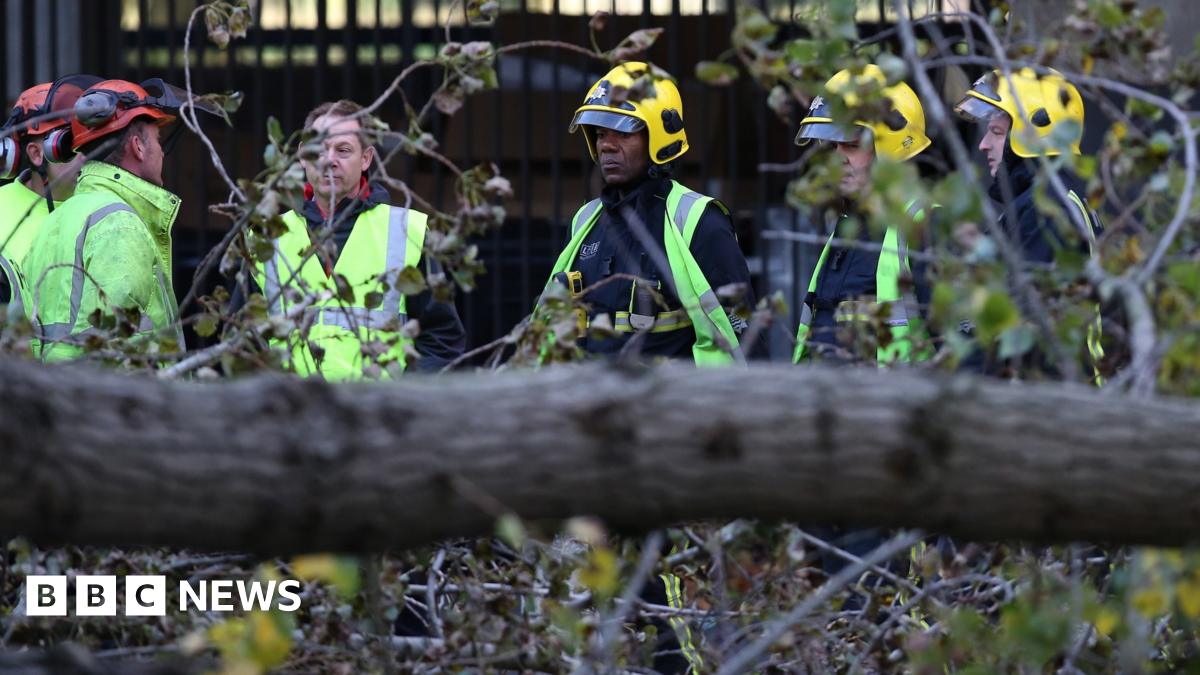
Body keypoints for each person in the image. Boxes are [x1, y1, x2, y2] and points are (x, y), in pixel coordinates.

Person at [538, 61, 753, 367]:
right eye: (600, 134)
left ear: (659, 137)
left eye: (623, 134)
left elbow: (744, 341)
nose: (607, 146)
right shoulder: (585, 221)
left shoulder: (697, 221)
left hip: (669, 409)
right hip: (588, 406)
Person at [250, 99, 465, 379]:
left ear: (366, 158)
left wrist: (405, 403)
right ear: (302, 156)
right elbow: (242, 344)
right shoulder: (266, 240)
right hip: (291, 415)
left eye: (343, 150)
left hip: (378, 415)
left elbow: (441, 339)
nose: (329, 159)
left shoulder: (406, 231)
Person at [22, 78, 212, 362]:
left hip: (60, 395)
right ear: (138, 146)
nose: (161, 152)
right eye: (157, 141)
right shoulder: (118, 223)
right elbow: (116, 352)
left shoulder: (58, 218)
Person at [954, 68, 1104, 379]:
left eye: (996, 133)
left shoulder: (1046, 208)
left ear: (1035, 131)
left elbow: (1022, 330)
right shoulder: (1039, 199)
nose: (983, 145)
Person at [791, 64, 935, 365]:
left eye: (852, 145)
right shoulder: (847, 227)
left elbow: (961, 353)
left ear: (891, 150)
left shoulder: (924, 228)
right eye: (830, 146)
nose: (837, 158)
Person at [0, 75, 100, 321]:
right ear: (37, 154)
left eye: (93, 143)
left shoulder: (108, 208)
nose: (87, 157)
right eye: (72, 143)